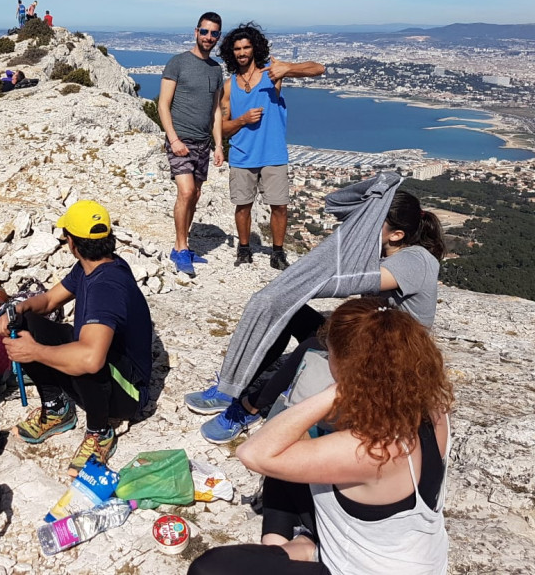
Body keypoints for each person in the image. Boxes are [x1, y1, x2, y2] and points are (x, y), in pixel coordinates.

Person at [189, 298, 454, 575]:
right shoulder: (432, 408)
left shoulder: (372, 449)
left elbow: (254, 453)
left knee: (209, 569)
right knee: (293, 448)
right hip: (411, 555)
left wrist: (337, 390)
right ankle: (296, 545)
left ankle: (299, 548)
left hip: (360, 569)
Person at [190, 184, 447, 445]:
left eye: (373, 221)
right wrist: (377, 190)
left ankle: (248, 409)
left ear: (397, 235)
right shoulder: (384, 252)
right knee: (289, 312)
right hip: (374, 338)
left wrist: (298, 282)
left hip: (395, 357)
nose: (364, 226)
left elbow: (353, 282)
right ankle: (233, 387)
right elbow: (336, 202)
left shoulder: (415, 260)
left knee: (317, 344)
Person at [0, 200, 154, 477]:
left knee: (83, 356)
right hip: (109, 363)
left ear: (72, 242)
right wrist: (18, 309)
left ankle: (99, 431)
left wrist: (34, 352)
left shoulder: (105, 287)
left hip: (128, 391)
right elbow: (48, 301)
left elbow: (90, 359)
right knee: (26, 324)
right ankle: (57, 409)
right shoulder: (91, 267)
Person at [219, 23, 324, 270]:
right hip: (242, 155)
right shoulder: (228, 86)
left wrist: (288, 68)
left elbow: (318, 68)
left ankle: (277, 252)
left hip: (272, 154)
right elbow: (222, 128)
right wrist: (243, 120)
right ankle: (244, 249)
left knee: (279, 206)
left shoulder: (272, 75)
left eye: (246, 47)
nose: (242, 52)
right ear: (231, 53)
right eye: (237, 49)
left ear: (255, 49)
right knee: (242, 206)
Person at [157, 12, 226, 276]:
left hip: (202, 143)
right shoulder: (177, 63)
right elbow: (163, 104)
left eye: (214, 33)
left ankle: (182, 245)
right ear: (196, 31)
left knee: (195, 195)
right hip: (180, 139)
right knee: (185, 192)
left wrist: (218, 145)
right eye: (205, 32)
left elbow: (216, 110)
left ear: (218, 37)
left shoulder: (216, 70)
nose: (209, 37)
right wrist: (173, 139)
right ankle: (181, 247)